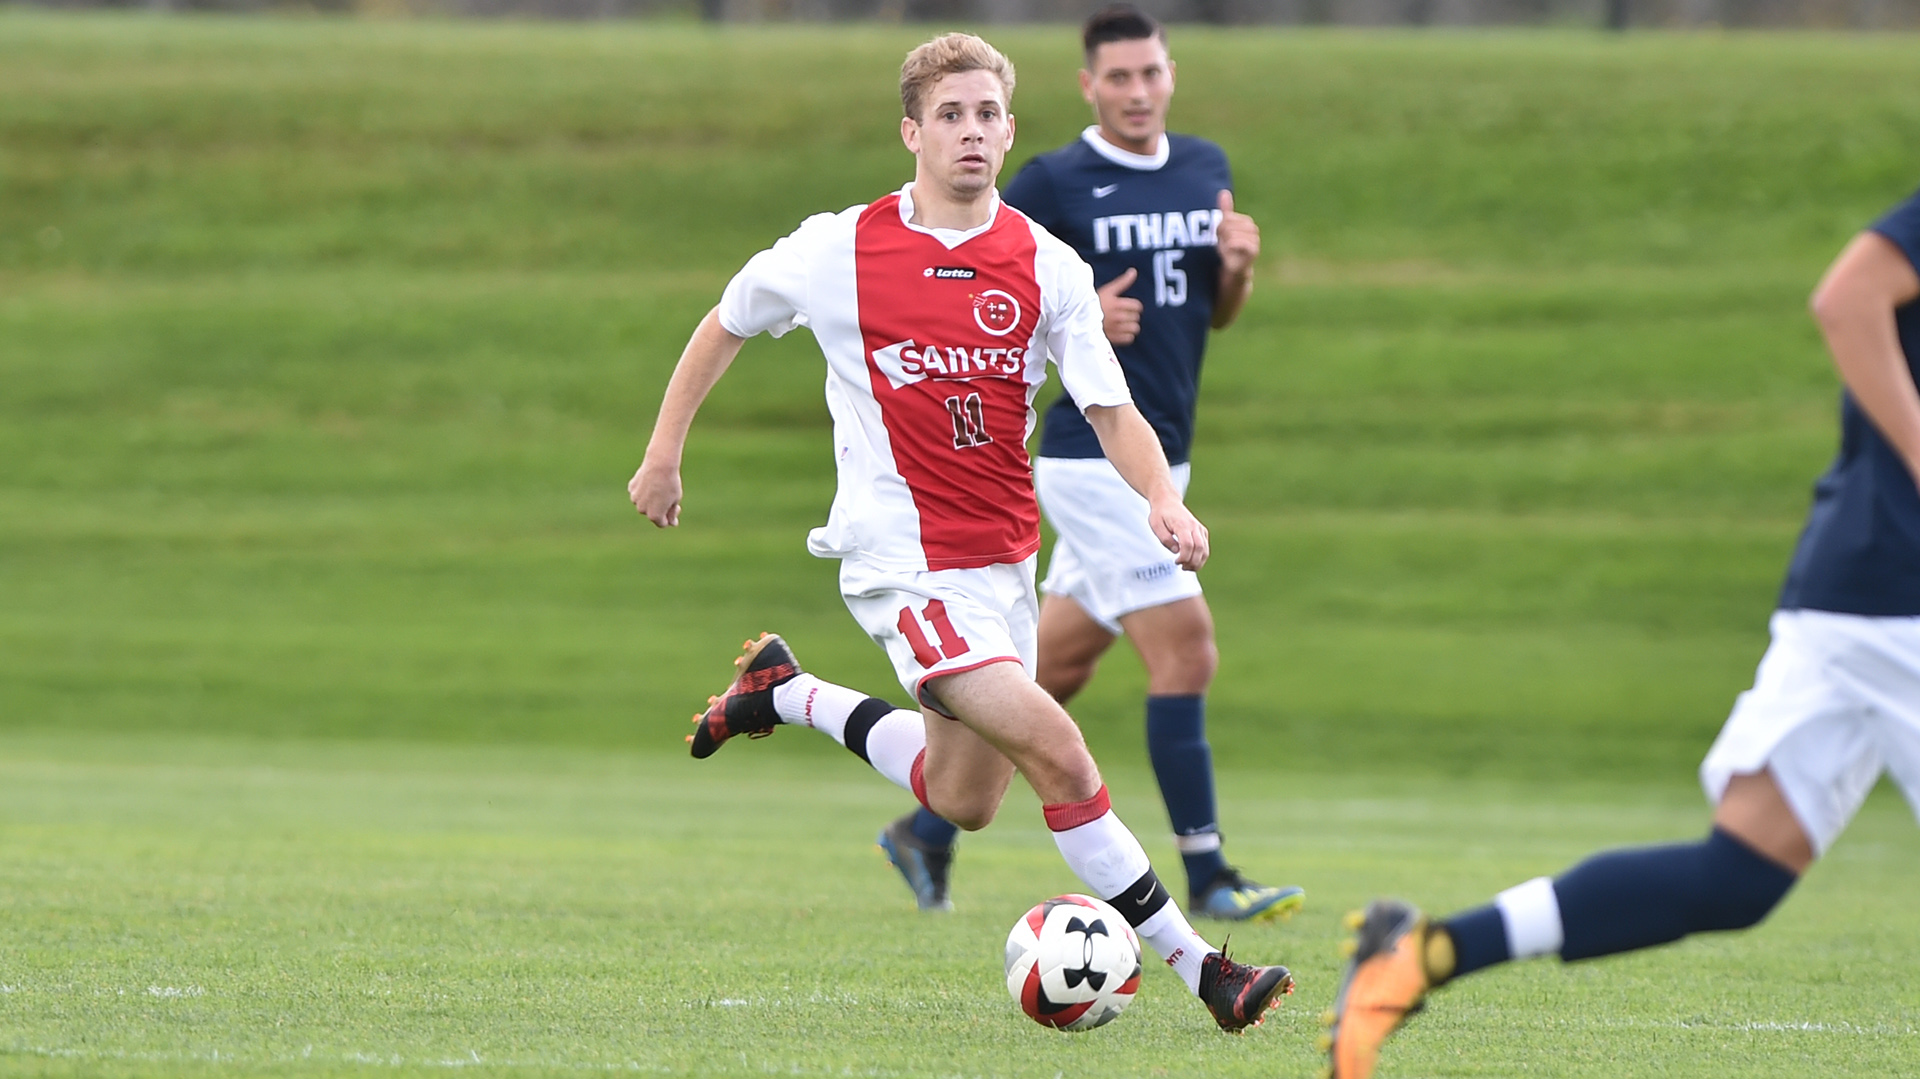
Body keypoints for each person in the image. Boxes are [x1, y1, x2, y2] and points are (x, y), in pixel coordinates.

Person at [629, 32, 1294, 1033]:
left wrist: (1163, 498)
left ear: (1010, 128)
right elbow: (725, 318)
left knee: (964, 795)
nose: (972, 132)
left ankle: (786, 689)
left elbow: (1111, 408)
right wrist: (663, 453)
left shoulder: (1043, 261)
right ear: (913, 132)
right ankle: (1206, 969)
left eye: (987, 115)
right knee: (1061, 752)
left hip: (999, 564)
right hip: (903, 567)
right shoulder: (839, 248)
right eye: (951, 115)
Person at [1322, 187, 1920, 1078]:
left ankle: (1423, 955)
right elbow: (1847, 297)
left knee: (1739, 876)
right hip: (1896, 598)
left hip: (1854, 592)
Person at [874, 4, 1303, 924]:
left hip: (1163, 458)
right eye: (1119, 78)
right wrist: (1077, 326)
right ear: (1088, 87)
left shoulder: (1203, 168)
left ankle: (927, 828)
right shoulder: (1055, 181)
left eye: (1151, 73)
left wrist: (1236, 272)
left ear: (1171, 75)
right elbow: (973, 281)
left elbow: (1213, 316)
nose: (1138, 92)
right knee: (1187, 650)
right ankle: (1211, 874)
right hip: (1088, 455)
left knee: (1045, 671)